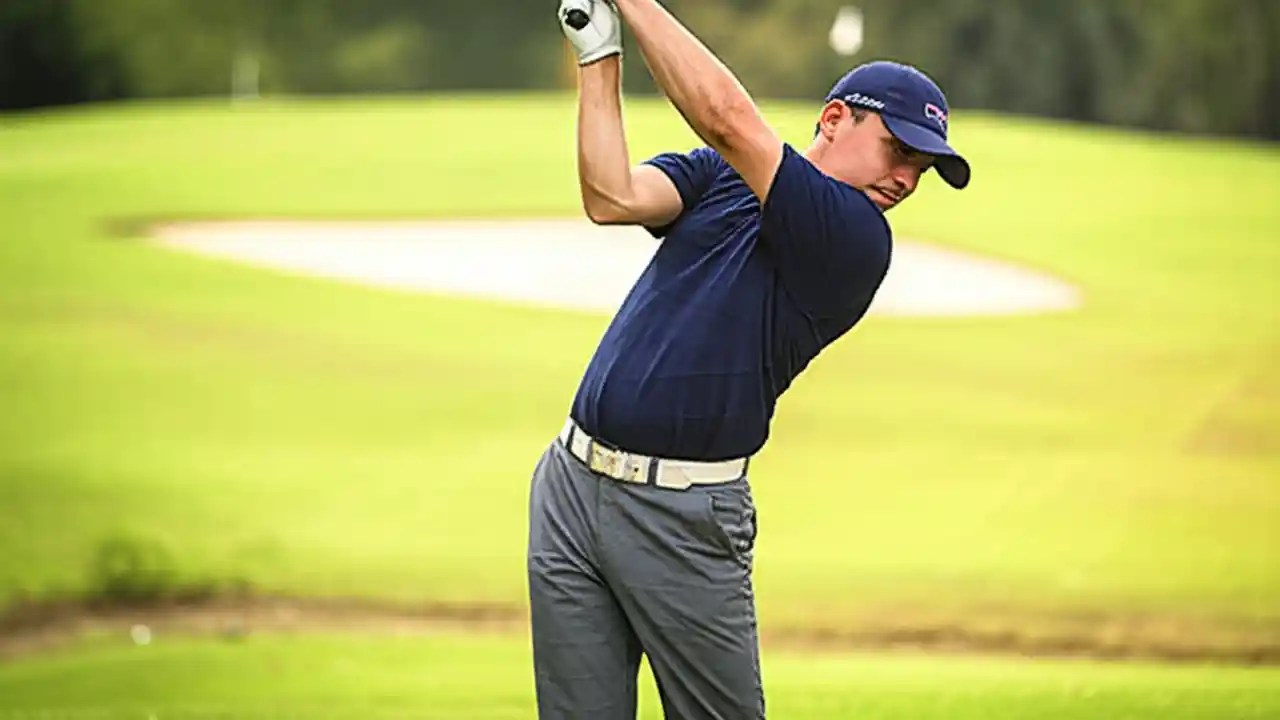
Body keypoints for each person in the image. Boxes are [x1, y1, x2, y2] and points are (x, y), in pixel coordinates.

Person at [527, 1, 971, 717]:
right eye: (898, 151)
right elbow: (612, 196)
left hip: (684, 516)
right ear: (835, 119)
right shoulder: (721, 177)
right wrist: (598, 53)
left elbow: (727, 118)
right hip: (570, 487)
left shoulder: (855, 238)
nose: (907, 180)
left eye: (922, 169)